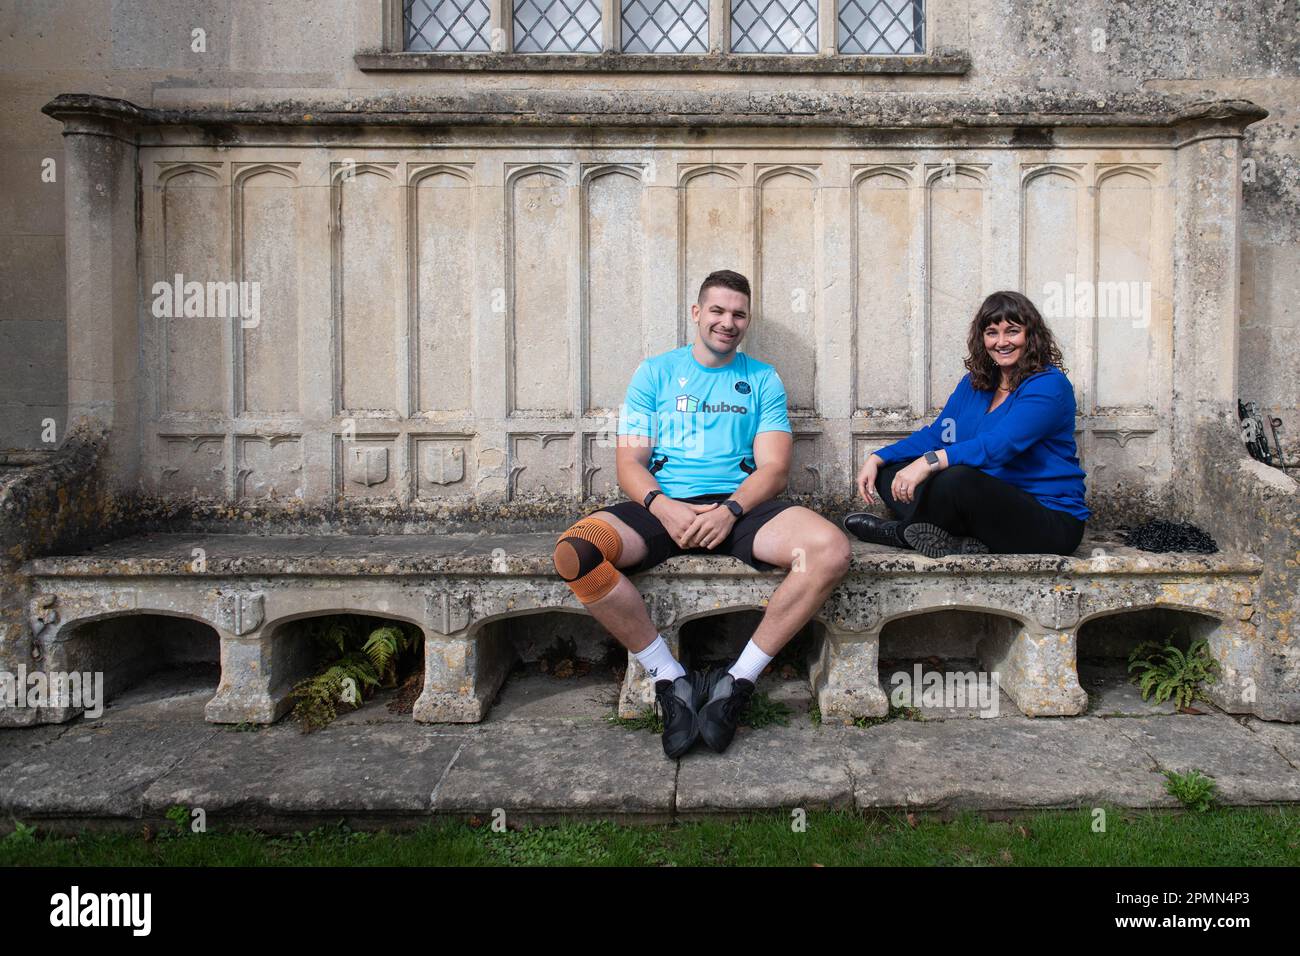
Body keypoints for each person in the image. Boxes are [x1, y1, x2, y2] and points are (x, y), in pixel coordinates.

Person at [551, 270, 851, 759]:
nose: (727, 322)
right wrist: (661, 506)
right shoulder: (654, 373)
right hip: (661, 505)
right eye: (717, 310)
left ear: (746, 321)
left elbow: (774, 469)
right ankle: (672, 681)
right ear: (697, 313)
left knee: (831, 550)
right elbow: (628, 463)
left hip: (741, 507)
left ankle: (735, 684)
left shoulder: (761, 379)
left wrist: (731, 510)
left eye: (738, 314)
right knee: (576, 553)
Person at [845, 290, 1089, 557]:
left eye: (1012, 331)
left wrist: (929, 462)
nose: (1002, 342)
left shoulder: (1049, 386)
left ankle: (901, 533)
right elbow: (940, 435)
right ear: (981, 338)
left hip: (1047, 522)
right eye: (992, 332)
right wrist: (879, 458)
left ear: (1031, 335)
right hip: (984, 507)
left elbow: (999, 445)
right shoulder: (975, 383)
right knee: (891, 471)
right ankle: (957, 540)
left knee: (956, 478)